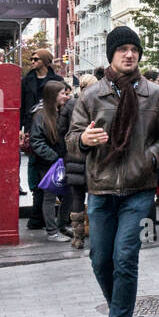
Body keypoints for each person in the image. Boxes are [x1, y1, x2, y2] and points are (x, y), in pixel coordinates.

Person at [68, 26, 159, 317]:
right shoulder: (90, 97)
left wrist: (151, 157)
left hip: (138, 189)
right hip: (100, 189)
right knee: (100, 259)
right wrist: (84, 141)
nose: (129, 54)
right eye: (122, 49)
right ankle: (121, 305)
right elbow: (72, 139)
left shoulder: (156, 95)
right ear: (111, 55)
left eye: (134, 49)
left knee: (125, 258)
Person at [29, 80, 71, 241]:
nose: (65, 96)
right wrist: (54, 157)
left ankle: (60, 226)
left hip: (61, 160)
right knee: (50, 196)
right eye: (62, 93)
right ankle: (52, 231)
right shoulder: (41, 115)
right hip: (49, 163)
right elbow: (36, 141)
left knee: (69, 194)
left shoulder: (61, 112)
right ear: (53, 95)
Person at [61, 73, 98, 249]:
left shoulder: (70, 104)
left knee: (76, 197)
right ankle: (95, 232)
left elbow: (62, 131)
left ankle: (77, 237)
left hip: (73, 156)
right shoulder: (98, 104)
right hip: (93, 157)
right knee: (94, 197)